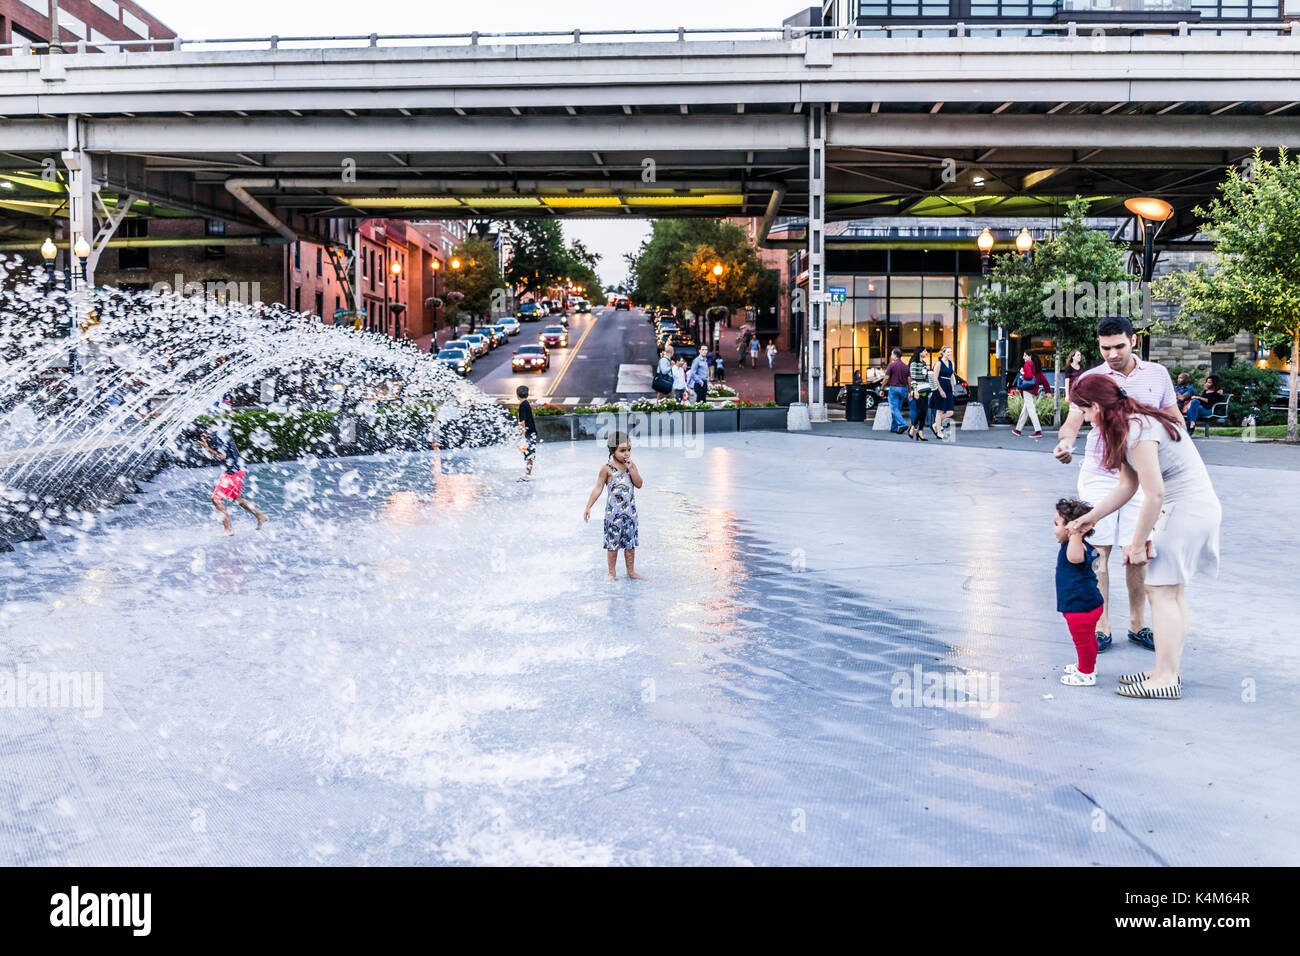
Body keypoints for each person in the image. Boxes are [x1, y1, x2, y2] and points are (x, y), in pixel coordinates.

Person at [1067, 375, 1222, 700]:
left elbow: (1154, 494)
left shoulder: (1138, 430)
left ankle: (1166, 678)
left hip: (1186, 510)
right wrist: (1090, 517)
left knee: (1160, 591)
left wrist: (1137, 543)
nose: (1084, 419)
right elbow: (1128, 486)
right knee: (1171, 592)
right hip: (1190, 509)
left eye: (1083, 412)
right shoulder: (1128, 426)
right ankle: (1166, 670)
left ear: (1095, 406)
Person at [1052, 315, 1178, 653]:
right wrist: (1065, 444)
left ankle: (1138, 624)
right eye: (1105, 347)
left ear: (1133, 341)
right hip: (1098, 471)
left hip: (1141, 470)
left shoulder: (1157, 375)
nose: (1112, 353)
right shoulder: (1092, 378)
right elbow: (1072, 423)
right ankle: (1102, 626)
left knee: (1137, 551)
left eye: (1119, 346)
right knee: (1100, 550)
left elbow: (1175, 418)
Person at [1053, 497, 1106, 687]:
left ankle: (1086, 673)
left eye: (1057, 524)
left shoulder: (1075, 546)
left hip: (1080, 607)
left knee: (1083, 642)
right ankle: (1088, 665)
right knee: (1088, 639)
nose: (1054, 528)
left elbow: (1075, 558)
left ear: (1072, 527)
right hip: (1086, 603)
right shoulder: (1080, 545)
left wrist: (1075, 534)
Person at [197, 400, 267, 535]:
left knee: (216, 499)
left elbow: (222, 456)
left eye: (203, 435)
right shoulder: (224, 431)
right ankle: (260, 516)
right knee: (236, 498)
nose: (204, 437)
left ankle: (228, 529)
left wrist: (206, 448)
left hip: (232, 471)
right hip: (238, 468)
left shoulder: (216, 437)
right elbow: (236, 451)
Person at [583, 431, 644, 581]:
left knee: (630, 545)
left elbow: (639, 484)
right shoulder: (607, 469)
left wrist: (632, 470)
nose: (627, 454)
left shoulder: (631, 466)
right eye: (622, 450)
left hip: (630, 514)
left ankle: (631, 571)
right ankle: (612, 573)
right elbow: (598, 488)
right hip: (613, 515)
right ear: (612, 451)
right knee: (613, 545)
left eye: (629, 449)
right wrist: (588, 506)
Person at [1012, 351, 1047, 438]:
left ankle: (1038, 431)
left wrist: (1023, 373)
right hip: (1034, 390)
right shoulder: (1036, 365)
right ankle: (1018, 430)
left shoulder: (1027, 364)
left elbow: (1029, 376)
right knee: (1025, 410)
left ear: (1029, 356)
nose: (1023, 357)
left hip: (1027, 390)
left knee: (1031, 410)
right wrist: (1048, 390)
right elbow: (1043, 379)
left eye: (1025, 355)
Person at [907, 346, 932, 442]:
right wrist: (915, 391)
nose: (926, 352)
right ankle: (913, 427)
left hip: (925, 389)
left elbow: (926, 378)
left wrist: (927, 370)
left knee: (924, 410)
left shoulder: (924, 363)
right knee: (920, 409)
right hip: (917, 389)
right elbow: (913, 379)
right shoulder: (914, 364)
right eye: (925, 351)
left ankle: (920, 431)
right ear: (919, 352)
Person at [931, 345, 956, 438]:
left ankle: (936, 425)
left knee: (950, 412)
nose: (950, 354)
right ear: (943, 353)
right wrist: (940, 390)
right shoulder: (939, 363)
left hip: (948, 387)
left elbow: (952, 376)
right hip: (940, 387)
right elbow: (935, 378)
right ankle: (939, 432)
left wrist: (953, 388)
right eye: (948, 352)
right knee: (940, 411)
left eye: (951, 352)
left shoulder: (951, 363)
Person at [884, 348, 910, 434]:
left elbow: (886, 378)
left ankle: (902, 424)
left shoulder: (891, 365)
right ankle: (894, 427)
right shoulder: (906, 366)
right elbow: (909, 380)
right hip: (903, 389)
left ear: (895, 355)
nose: (891, 356)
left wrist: (881, 388)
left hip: (894, 388)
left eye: (891, 354)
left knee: (894, 409)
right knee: (897, 409)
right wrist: (909, 391)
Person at [516, 385, 537, 481]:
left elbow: (523, 421)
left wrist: (523, 435)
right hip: (531, 432)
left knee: (529, 455)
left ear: (517, 395)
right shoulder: (526, 403)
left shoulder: (522, 405)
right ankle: (528, 474)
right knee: (529, 455)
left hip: (528, 433)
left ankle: (527, 476)